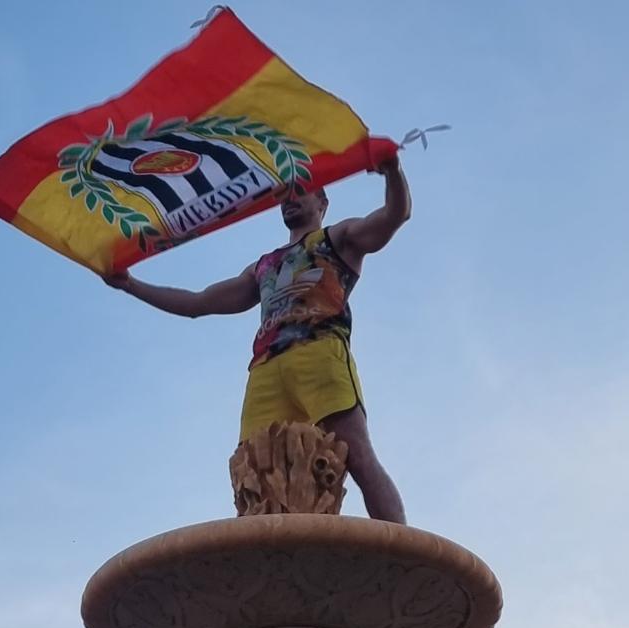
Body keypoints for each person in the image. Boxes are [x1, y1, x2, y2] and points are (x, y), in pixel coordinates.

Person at [101, 156, 411, 523]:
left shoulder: (337, 238)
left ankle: (397, 554)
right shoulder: (264, 266)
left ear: (322, 202)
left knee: (356, 454)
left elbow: (395, 215)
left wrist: (392, 170)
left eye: (299, 192)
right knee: (256, 472)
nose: (288, 199)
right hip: (266, 370)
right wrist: (131, 285)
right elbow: (198, 303)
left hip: (320, 353)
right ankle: (269, 564)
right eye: (282, 195)